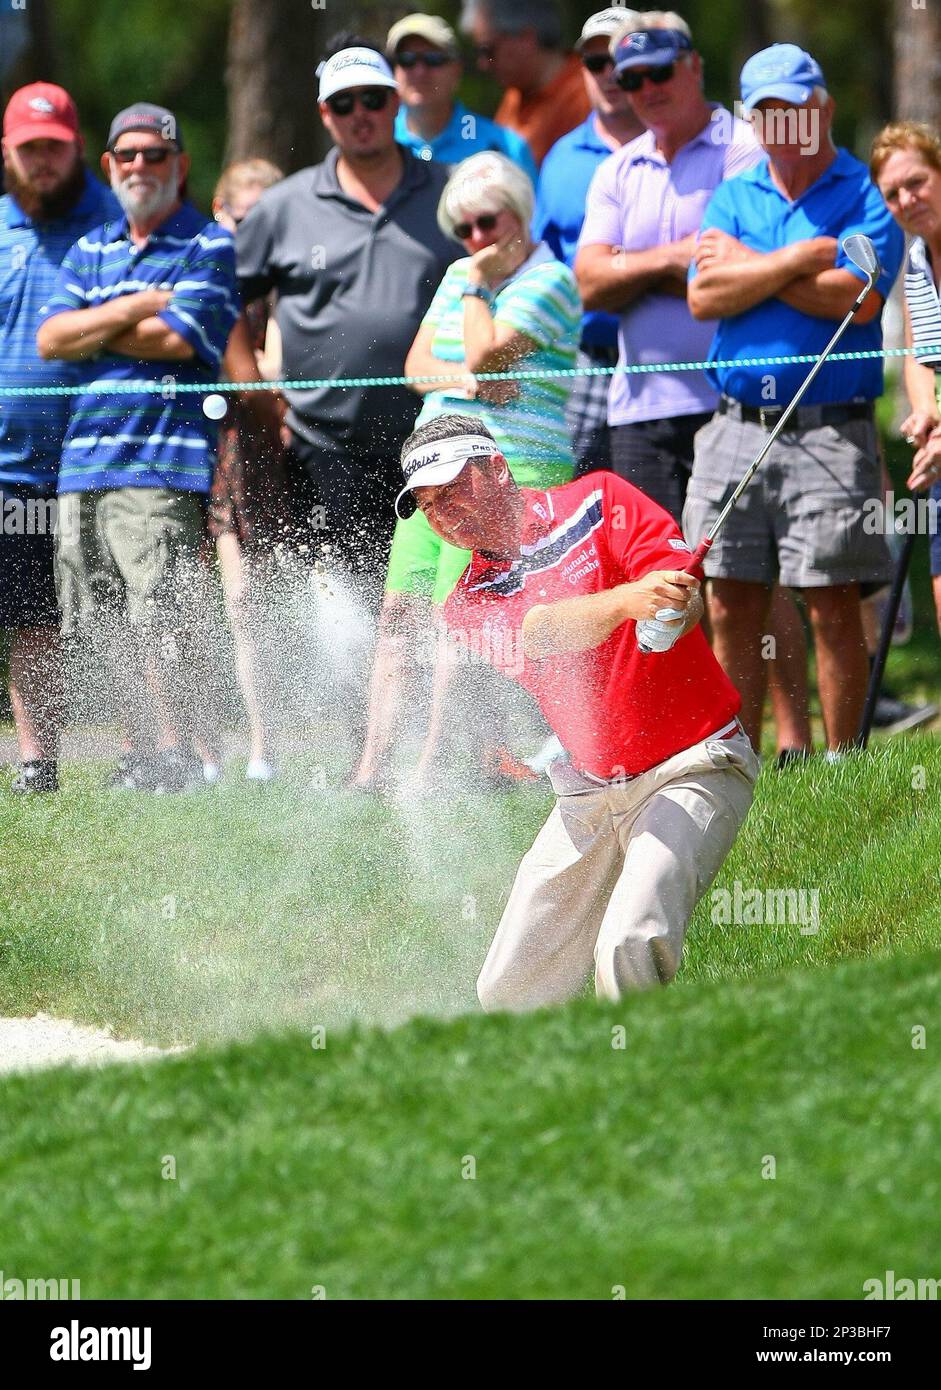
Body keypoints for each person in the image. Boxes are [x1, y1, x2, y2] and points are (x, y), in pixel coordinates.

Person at [394, 412, 759, 1009]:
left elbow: (676, 591)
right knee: (507, 987)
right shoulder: (466, 600)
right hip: (589, 793)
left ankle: (642, 1087)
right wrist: (624, 602)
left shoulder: (602, 500)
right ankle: (543, 1097)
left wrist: (672, 610)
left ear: (497, 468)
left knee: (628, 944)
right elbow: (539, 634)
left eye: (455, 487)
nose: (445, 512)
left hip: (695, 763)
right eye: (430, 504)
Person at [684, 45, 904, 757]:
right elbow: (702, 295)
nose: (783, 125)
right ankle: (735, 764)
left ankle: (841, 766)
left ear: (824, 109)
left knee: (831, 600)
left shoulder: (865, 192)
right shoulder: (733, 194)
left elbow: (860, 300)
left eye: (794, 109)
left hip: (829, 431)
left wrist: (749, 269)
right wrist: (803, 257)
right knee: (727, 598)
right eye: (767, 112)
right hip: (732, 428)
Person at [352, 152, 581, 791]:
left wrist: (479, 289)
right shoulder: (461, 271)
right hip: (431, 466)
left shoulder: (551, 280)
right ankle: (371, 773)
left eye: (489, 222)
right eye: (464, 228)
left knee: (461, 619)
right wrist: (471, 381)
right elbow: (417, 366)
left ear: (520, 214)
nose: (477, 239)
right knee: (400, 614)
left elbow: (487, 350)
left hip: (507, 469)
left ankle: (434, 772)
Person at [37, 102, 240, 792]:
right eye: (128, 155)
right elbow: (50, 338)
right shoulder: (91, 247)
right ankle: (140, 754)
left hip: (161, 460)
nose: (141, 167)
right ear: (109, 166)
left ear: (180, 166)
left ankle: (185, 754)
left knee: (163, 613)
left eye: (156, 155)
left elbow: (179, 339)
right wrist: (131, 308)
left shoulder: (207, 244)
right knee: (102, 618)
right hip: (83, 459)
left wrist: (94, 323)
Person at [235, 38, 459, 599]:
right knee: (345, 618)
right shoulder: (284, 206)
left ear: (395, 102)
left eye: (373, 98)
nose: (361, 114)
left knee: (437, 606)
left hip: (442, 437)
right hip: (323, 450)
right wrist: (252, 386)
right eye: (344, 103)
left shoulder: (452, 191)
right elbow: (218, 301)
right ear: (324, 114)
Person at [0, 82, 118, 794]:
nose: (43, 161)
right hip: (11, 464)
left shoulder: (114, 222)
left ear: (79, 149)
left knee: (123, 611)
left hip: (103, 453)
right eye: (29, 149)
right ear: (7, 153)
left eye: (55, 147)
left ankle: (155, 757)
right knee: (30, 616)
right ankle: (39, 765)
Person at [534, 7, 645, 475]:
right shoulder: (561, 157)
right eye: (595, 63)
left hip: (665, 362)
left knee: (662, 511)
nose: (608, 74)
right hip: (580, 362)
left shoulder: (685, 149)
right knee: (568, 503)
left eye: (619, 60)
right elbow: (540, 266)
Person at [207, 158, 287, 784]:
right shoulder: (207, 281)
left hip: (275, 452)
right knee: (228, 605)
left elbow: (279, 377)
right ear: (220, 212)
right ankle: (220, 748)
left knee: (269, 605)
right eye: (244, 217)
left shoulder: (283, 291)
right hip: (210, 451)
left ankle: (272, 745)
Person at [872, 122, 941, 639]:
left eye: (916, 182)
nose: (906, 199)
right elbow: (919, 351)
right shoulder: (916, 260)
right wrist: (925, 413)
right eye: (892, 194)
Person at [387, 12, 537, 182]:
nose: (420, 71)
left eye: (433, 59)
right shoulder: (379, 141)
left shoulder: (503, 148)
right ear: (393, 71)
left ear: (456, 71)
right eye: (407, 60)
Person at [460, 0, 591, 167]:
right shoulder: (514, 95)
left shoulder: (585, 95)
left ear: (526, 38)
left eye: (487, 50)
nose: (483, 64)